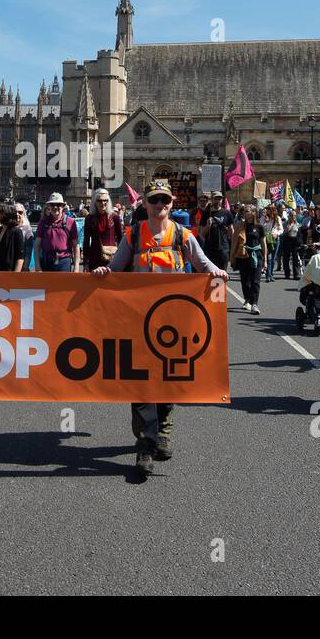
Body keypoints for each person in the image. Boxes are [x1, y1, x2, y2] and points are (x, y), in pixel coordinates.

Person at [91, 180, 227, 477]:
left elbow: (204, 265)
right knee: (141, 381)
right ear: (145, 204)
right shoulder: (133, 235)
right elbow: (115, 270)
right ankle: (145, 443)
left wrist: (215, 271)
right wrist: (104, 272)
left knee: (168, 377)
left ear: (172, 203)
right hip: (139, 319)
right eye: (154, 200)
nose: (160, 205)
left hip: (173, 321)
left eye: (165, 200)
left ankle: (163, 429)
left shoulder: (183, 234)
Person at [230, 205, 266, 314]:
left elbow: (264, 244)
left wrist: (265, 260)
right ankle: (247, 299)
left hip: (257, 256)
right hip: (243, 256)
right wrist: (232, 257)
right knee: (245, 281)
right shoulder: (239, 226)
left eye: (247, 211)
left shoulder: (260, 227)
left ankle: (254, 303)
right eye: (244, 211)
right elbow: (234, 242)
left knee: (255, 281)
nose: (245, 213)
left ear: (253, 213)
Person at [33, 192, 80, 271]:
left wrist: (76, 267)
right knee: (45, 284)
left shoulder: (70, 222)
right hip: (46, 262)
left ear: (63, 206)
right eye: (52, 205)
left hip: (64, 262)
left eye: (58, 205)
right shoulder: (43, 222)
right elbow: (37, 244)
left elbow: (76, 245)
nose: (55, 207)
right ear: (49, 207)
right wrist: (37, 265)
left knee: (62, 284)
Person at [82, 188, 124, 270]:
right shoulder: (89, 218)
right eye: (100, 201)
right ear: (95, 202)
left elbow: (121, 239)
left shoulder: (114, 217)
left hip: (112, 258)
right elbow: (86, 241)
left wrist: (122, 259)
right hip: (95, 259)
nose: (103, 203)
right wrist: (85, 262)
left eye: (105, 200)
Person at [199, 191, 234, 272]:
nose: (218, 201)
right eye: (216, 198)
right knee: (211, 274)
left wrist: (233, 246)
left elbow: (231, 230)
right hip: (210, 249)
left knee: (222, 274)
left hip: (223, 248)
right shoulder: (206, 213)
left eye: (219, 199)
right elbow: (201, 234)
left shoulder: (227, 213)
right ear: (212, 199)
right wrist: (208, 226)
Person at [0, 203, 27, 272]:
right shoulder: (0, 230)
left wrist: (14, 277)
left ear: (4, 214)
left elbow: (20, 257)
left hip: (8, 273)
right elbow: (1, 249)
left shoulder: (16, 232)